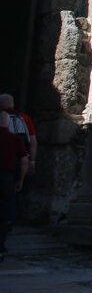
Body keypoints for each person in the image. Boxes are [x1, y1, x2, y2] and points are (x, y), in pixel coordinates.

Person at [0, 111, 28, 261]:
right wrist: (21, 179)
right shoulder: (14, 138)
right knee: (3, 213)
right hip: (6, 177)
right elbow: (24, 160)